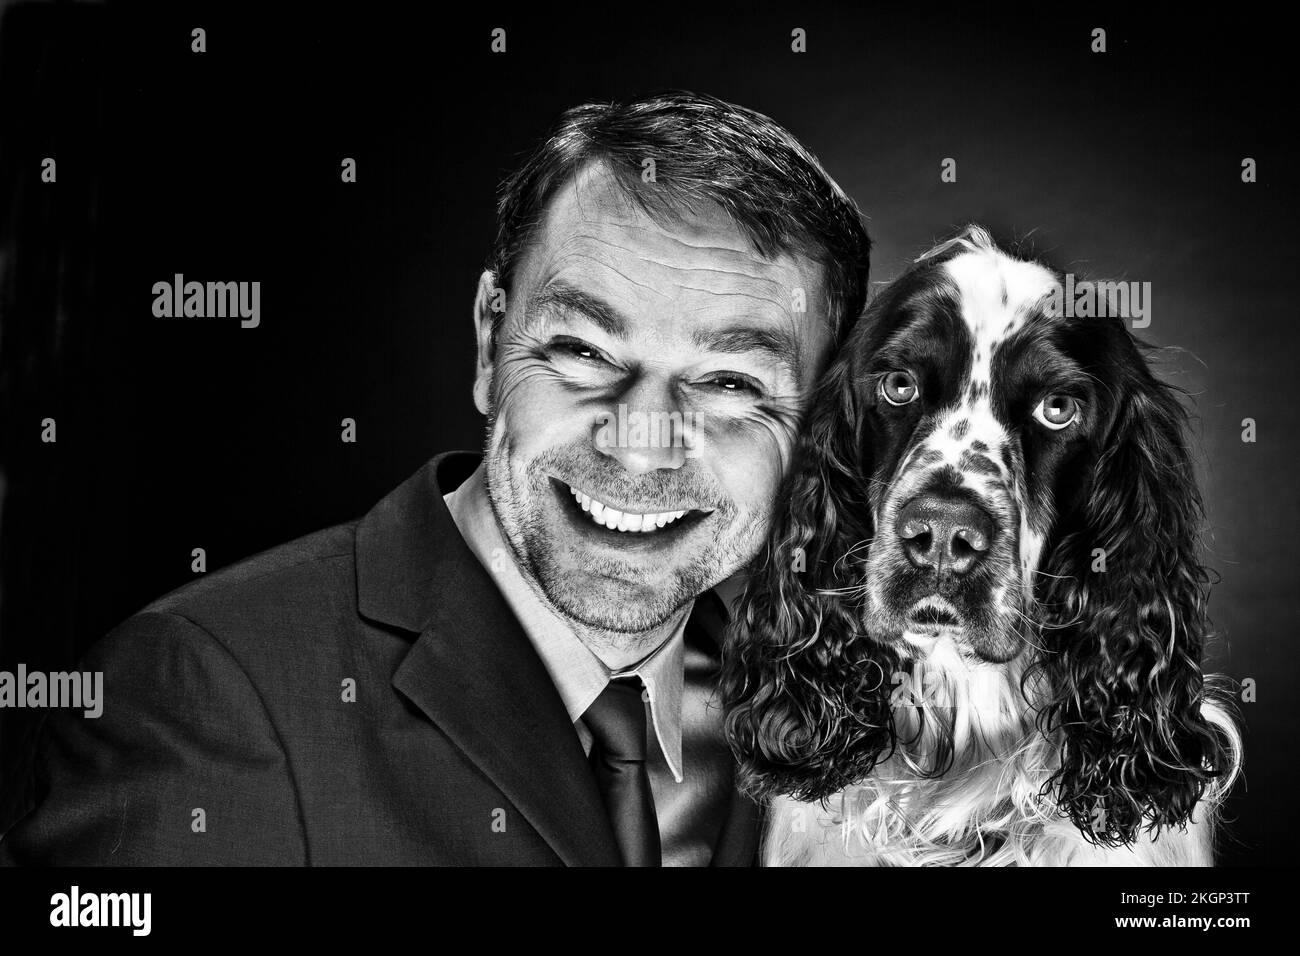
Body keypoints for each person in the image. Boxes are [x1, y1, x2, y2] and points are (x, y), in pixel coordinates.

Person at [0, 90, 871, 865]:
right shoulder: (206, 691)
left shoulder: (824, 713)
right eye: (584, 351)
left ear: (822, 425)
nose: (643, 444)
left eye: (730, 384)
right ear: (492, 342)